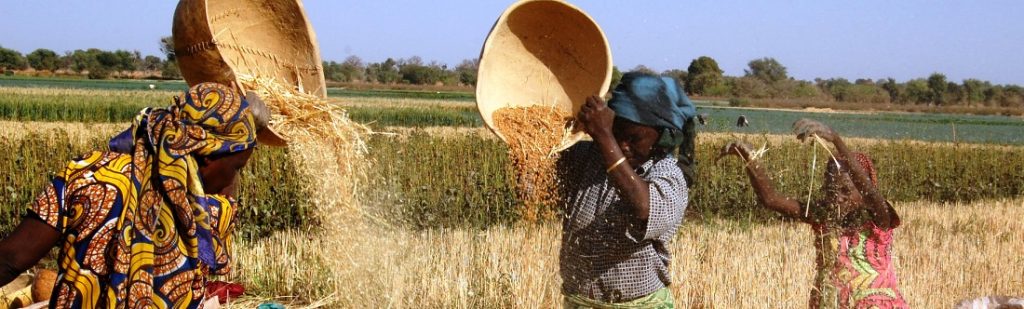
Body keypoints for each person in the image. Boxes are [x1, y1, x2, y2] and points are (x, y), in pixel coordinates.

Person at [0, 82, 286, 308]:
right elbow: (226, 197)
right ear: (208, 157)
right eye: (237, 167)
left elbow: (12, 257)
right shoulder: (202, 215)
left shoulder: (90, 175)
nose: (234, 179)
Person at [716, 118, 908, 308]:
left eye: (846, 191)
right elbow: (771, 199)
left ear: (862, 190)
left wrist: (836, 140)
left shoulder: (879, 220)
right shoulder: (823, 216)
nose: (837, 198)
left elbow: (871, 193)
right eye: (831, 190)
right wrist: (750, 159)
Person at [558, 72, 695, 308]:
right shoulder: (587, 157)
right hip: (580, 302)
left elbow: (643, 208)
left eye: (634, 138)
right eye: (617, 134)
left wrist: (604, 137)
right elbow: (540, 185)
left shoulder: (669, 175)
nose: (622, 146)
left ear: (659, 135)